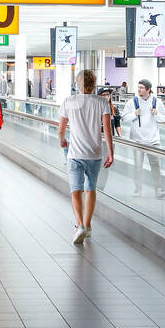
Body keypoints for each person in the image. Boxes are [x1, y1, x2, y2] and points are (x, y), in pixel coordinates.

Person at [58, 69, 114, 245]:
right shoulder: (101, 102)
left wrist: (62, 141)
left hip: (75, 153)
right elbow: (107, 130)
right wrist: (110, 153)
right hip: (95, 154)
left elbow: (61, 129)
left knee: (75, 190)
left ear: (77, 83)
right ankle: (88, 226)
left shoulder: (69, 101)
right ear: (93, 84)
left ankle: (80, 224)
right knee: (90, 189)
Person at [121, 78, 165, 198]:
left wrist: (156, 114)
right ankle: (138, 189)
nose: (139, 90)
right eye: (138, 87)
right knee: (138, 165)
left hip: (153, 140)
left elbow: (164, 118)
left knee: (155, 165)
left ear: (148, 89)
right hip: (137, 140)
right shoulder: (132, 102)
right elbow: (124, 118)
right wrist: (134, 114)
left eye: (141, 88)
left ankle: (158, 189)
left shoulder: (157, 102)